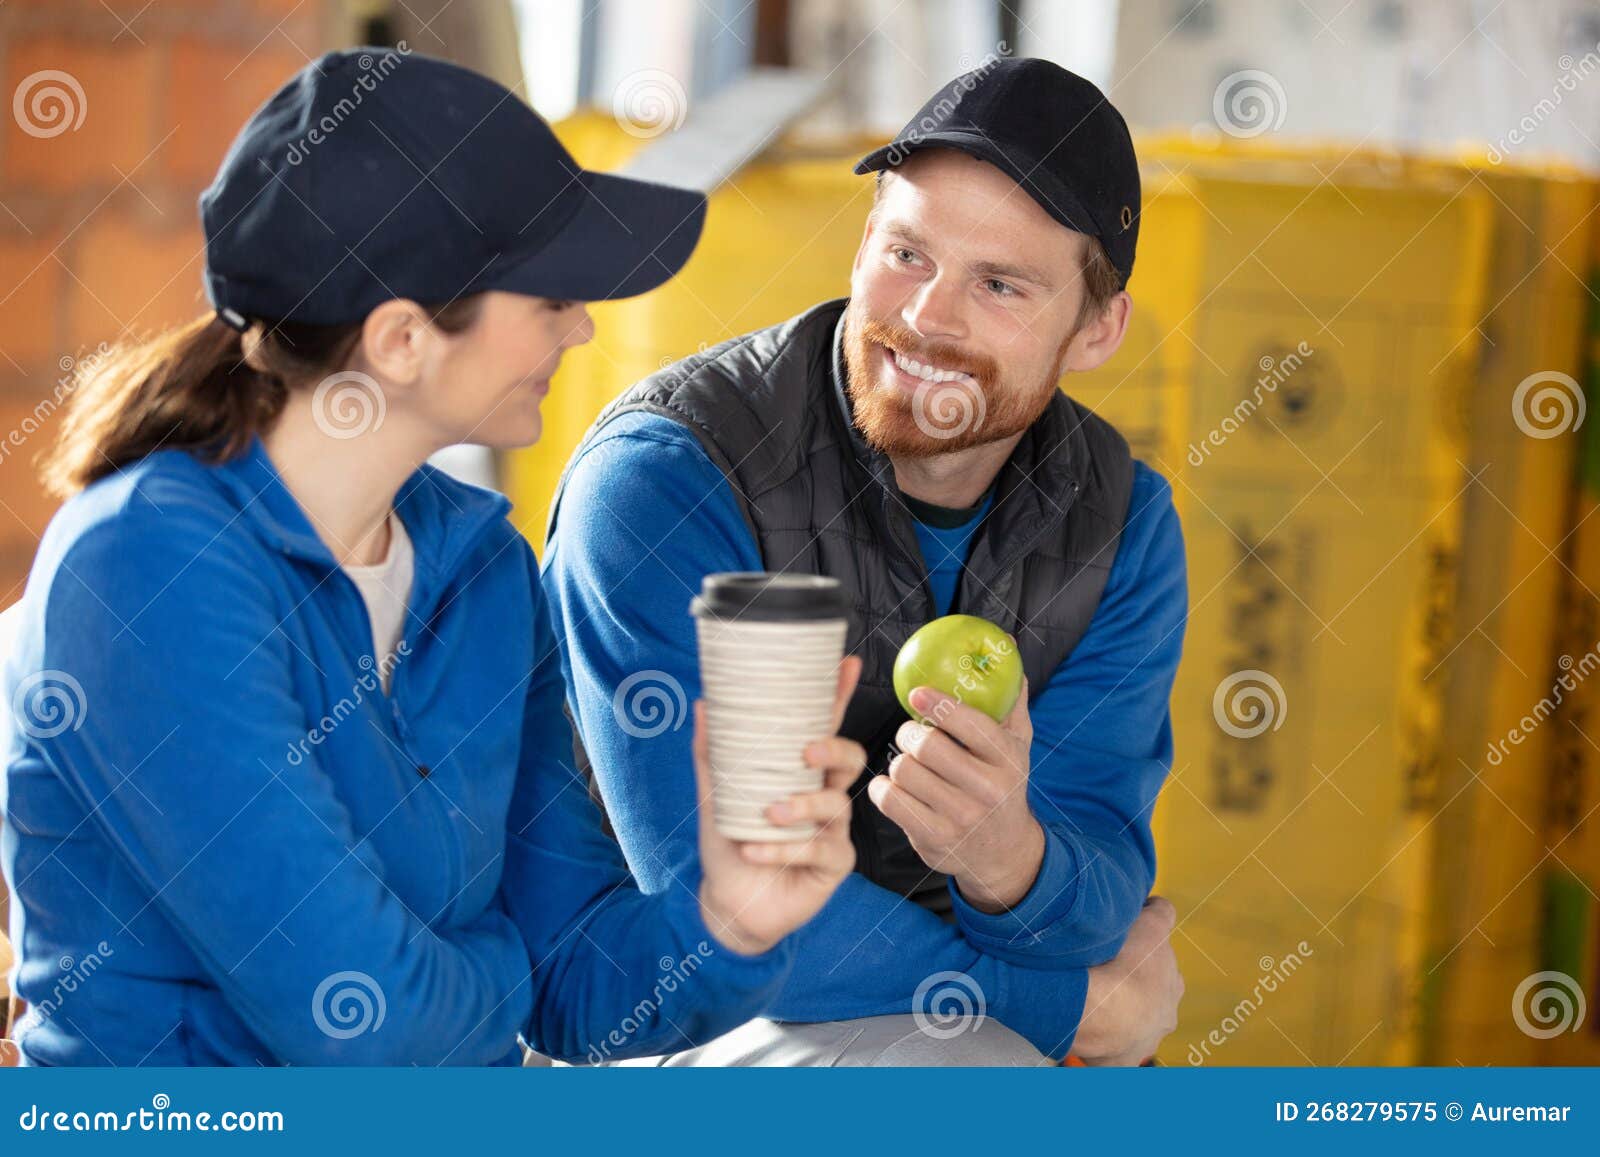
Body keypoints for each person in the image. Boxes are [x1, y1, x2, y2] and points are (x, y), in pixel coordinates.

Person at [0, 49, 865, 1067]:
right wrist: (503, 974)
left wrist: (728, 917)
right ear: (402, 340)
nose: (582, 327)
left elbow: (568, 981)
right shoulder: (148, 562)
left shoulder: (481, 566)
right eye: (549, 300)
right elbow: (361, 1019)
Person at [543, 58, 1186, 1065]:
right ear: (862, 242)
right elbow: (723, 907)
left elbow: (1098, 899)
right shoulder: (668, 479)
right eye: (906, 252)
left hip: (951, 1019)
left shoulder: (1121, 525)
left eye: (999, 284)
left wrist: (1009, 861)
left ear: (1097, 329)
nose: (928, 316)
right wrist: (1069, 1007)